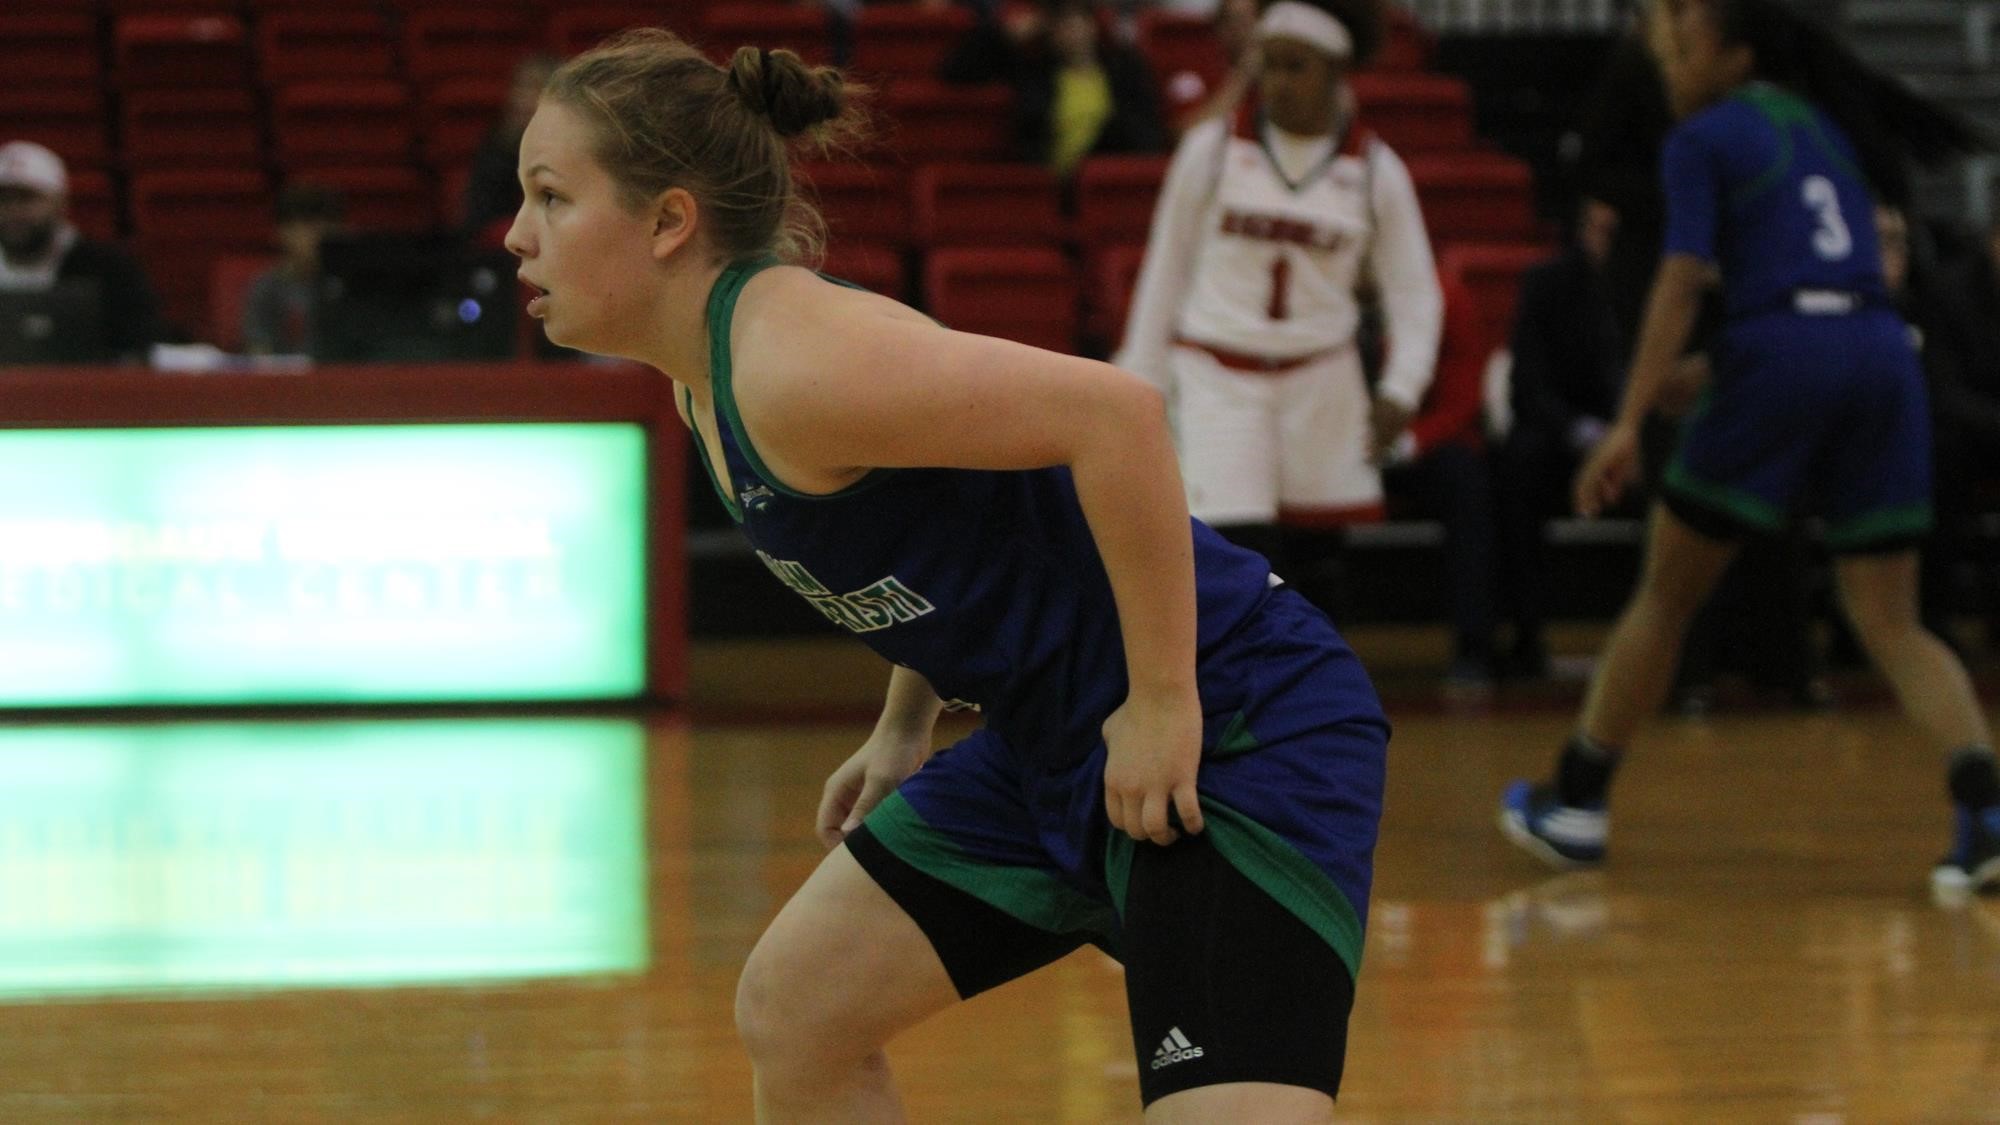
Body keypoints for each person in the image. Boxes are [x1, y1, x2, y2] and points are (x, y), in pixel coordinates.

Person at [509, 30, 1388, 1121]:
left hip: (1235, 715)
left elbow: (1116, 416)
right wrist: (904, 722)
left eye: (551, 197)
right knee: (798, 1009)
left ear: (667, 221)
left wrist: (1165, 701)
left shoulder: (793, 362)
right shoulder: (709, 379)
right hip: (1052, 739)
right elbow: (943, 525)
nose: (516, 233)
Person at [1498, 0, 1999, 899]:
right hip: (1880, 353)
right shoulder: (1827, 127)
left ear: (1737, 56)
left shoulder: (1704, 136)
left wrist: (1630, 418)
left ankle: (1576, 799)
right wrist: (1719, 364)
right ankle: (1987, 811)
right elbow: (1818, 279)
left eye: (1686, 44)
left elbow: (1682, 278)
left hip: (1786, 359)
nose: (1670, 60)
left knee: (1667, 594)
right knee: (1893, 621)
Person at [1113, 0, 1442, 572]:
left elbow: (1414, 292)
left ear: (1336, 72)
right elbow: (1164, 273)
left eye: (1296, 67)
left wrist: (1401, 388)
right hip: (1219, 375)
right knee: (1234, 562)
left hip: (1322, 380)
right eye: (1269, 64)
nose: (1278, 82)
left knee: (1319, 568)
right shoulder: (1211, 150)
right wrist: (1142, 381)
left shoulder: (1375, 170)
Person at [1377, 270, 1498, 690]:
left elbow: (1464, 398)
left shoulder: (1447, 294)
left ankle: (1473, 645)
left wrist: (1408, 442)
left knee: (1467, 482)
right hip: (1334, 438)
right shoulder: (1319, 284)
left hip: (1425, 444)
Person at [939, 0, 1169, 175]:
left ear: (1092, 25)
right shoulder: (1034, 72)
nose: (1072, 31)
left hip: (1106, 179)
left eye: (1078, 20)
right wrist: (1004, 34)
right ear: (1049, 30)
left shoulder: (1125, 70)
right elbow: (957, 72)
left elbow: (1147, 133)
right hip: (1049, 186)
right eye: (1062, 23)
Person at [0, 140, 162, 360]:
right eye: (4, 200)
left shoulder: (109, 269)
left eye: (26, 199)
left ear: (60, 202)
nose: (13, 211)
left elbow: (140, 344)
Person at [460, 55, 560, 247]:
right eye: (520, 87)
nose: (522, 98)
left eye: (535, 88)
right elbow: (480, 217)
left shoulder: (573, 150)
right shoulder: (498, 145)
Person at [240, 181, 345, 357]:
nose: (318, 236)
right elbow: (257, 351)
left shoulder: (345, 287)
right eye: (307, 227)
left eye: (325, 227)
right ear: (282, 232)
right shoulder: (265, 288)